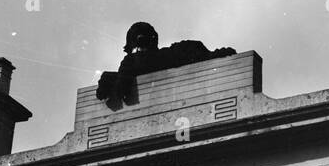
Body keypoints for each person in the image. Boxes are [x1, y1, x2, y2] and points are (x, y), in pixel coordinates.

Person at [96, 22, 235, 106]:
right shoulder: (173, 53)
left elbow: (125, 81)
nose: (140, 51)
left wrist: (117, 79)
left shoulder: (131, 62)